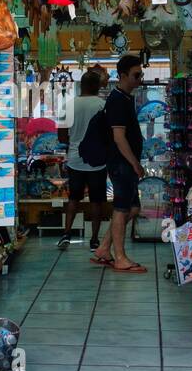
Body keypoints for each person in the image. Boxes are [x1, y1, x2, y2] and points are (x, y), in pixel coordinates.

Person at [92, 54, 147, 273]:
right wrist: (134, 163)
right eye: (136, 75)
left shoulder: (124, 98)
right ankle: (120, 257)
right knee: (122, 208)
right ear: (123, 75)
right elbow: (119, 137)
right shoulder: (116, 100)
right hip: (121, 163)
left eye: (141, 74)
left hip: (124, 163)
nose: (140, 79)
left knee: (132, 208)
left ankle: (104, 248)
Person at [58, 71, 109, 249]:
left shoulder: (68, 105)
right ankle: (94, 240)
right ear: (96, 86)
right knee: (97, 201)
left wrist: (75, 141)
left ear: (82, 85)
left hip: (75, 159)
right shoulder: (103, 105)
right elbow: (109, 135)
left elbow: (62, 137)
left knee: (74, 198)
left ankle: (66, 235)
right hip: (98, 162)